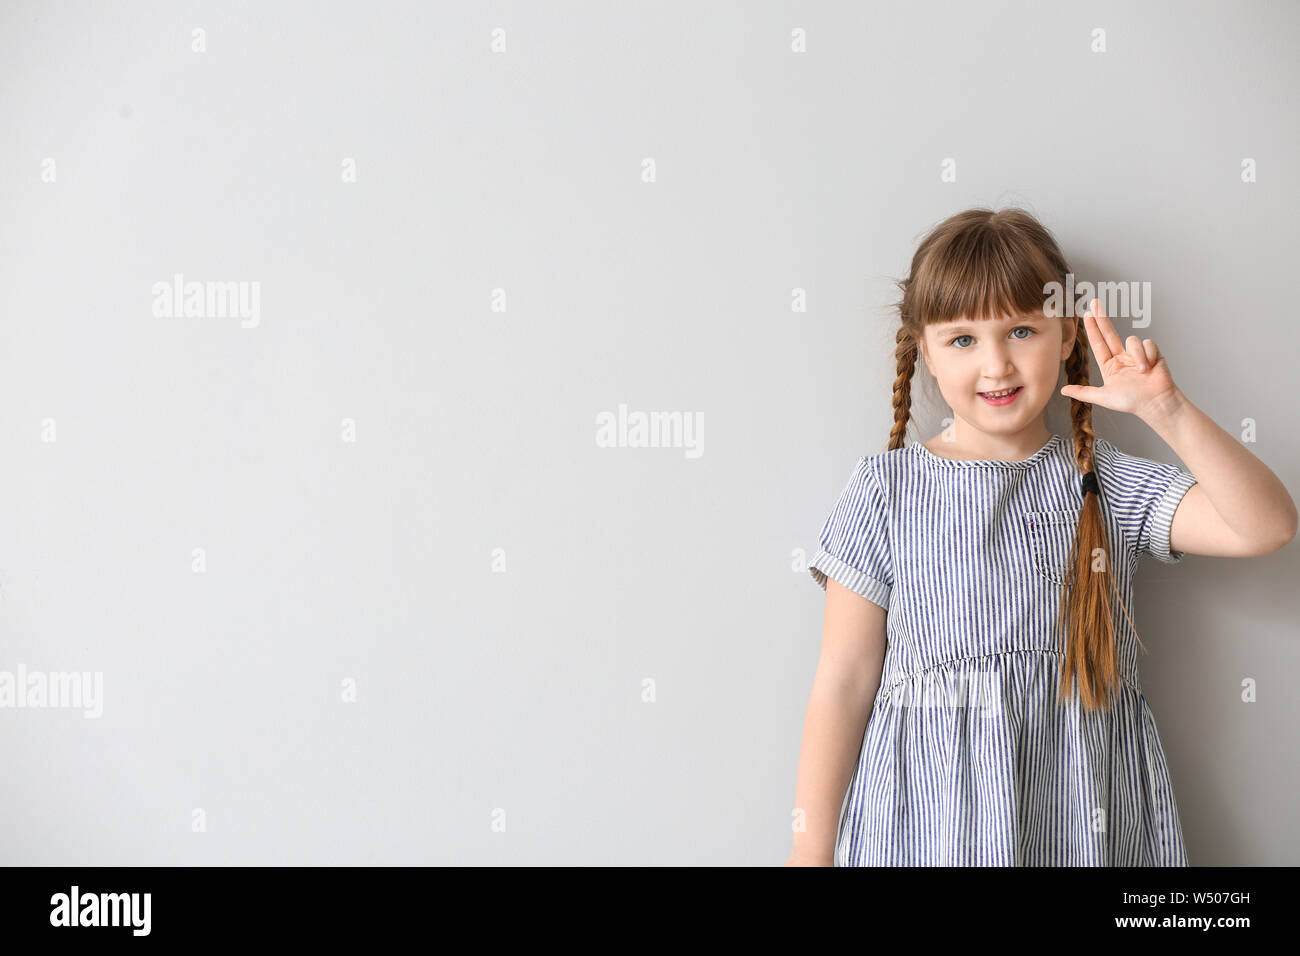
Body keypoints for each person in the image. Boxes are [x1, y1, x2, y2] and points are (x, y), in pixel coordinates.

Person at [786, 208, 1297, 866]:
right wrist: (808, 850)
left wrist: (1164, 410)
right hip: (926, 829)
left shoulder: (1103, 480)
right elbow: (843, 681)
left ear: (1063, 336)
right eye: (963, 339)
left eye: (1021, 330)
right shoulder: (887, 490)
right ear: (923, 350)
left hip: (1082, 820)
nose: (996, 364)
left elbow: (1267, 527)